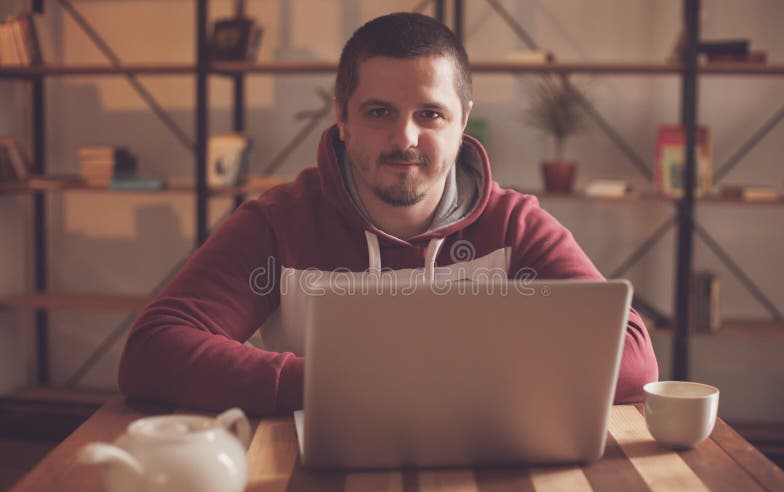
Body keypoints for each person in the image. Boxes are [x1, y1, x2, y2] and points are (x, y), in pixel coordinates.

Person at [119, 12, 658, 414]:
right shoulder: (277, 224)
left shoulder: (513, 226)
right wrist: (343, 384)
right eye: (379, 112)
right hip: (307, 483)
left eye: (430, 113)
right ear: (343, 116)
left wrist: (445, 384)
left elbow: (633, 359)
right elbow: (153, 352)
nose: (405, 138)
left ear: (463, 120)